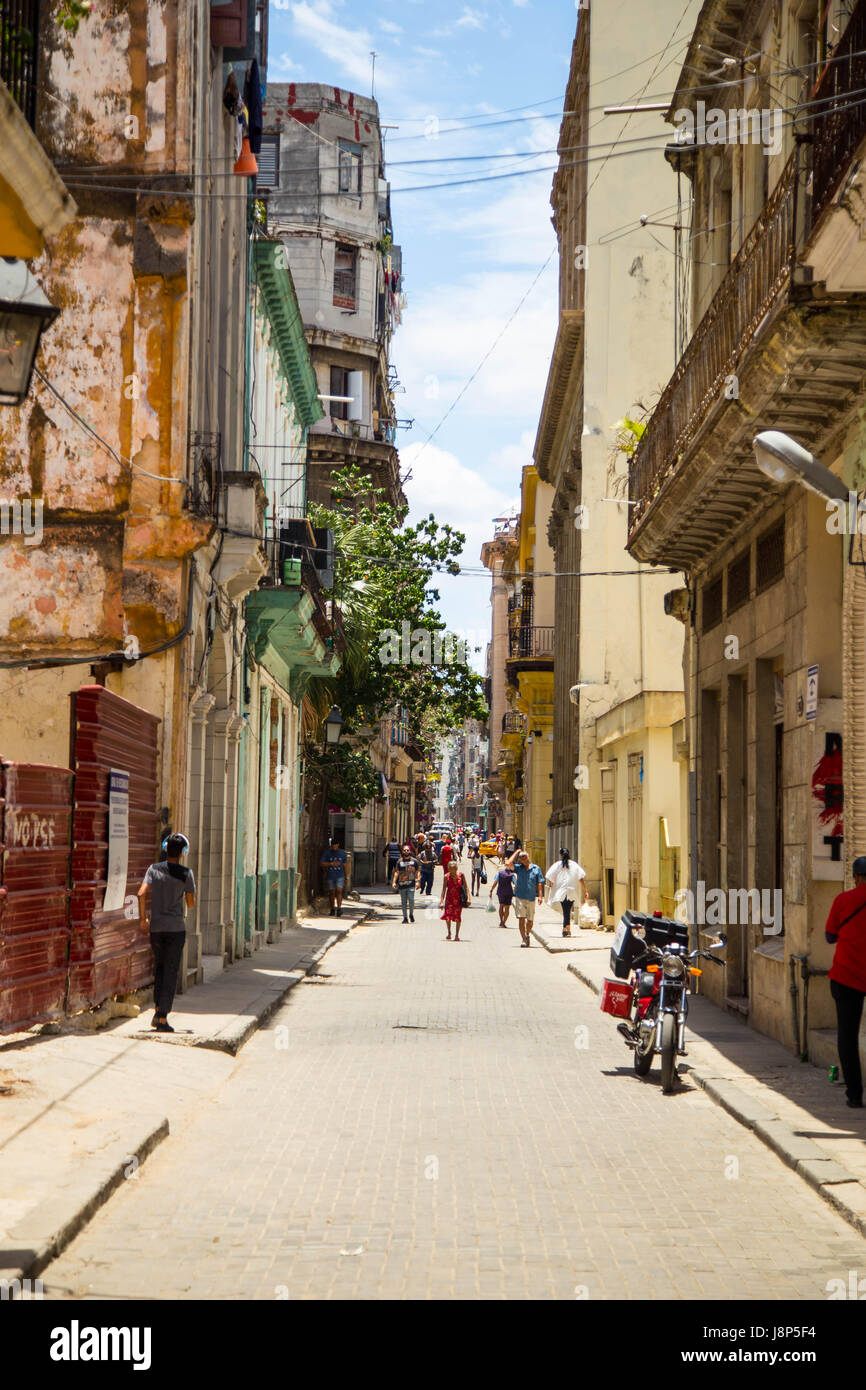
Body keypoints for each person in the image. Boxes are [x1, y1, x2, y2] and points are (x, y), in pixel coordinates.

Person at [137, 833, 195, 1033]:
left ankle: (157, 1009)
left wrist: (143, 919)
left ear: (165, 848)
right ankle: (162, 1017)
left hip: (156, 929)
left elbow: (141, 893)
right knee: (170, 972)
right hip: (176, 929)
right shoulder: (186, 874)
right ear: (183, 853)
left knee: (159, 969)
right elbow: (190, 903)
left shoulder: (153, 869)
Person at [825, 856, 866, 1107]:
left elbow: (830, 936)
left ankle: (854, 1094)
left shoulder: (843, 900)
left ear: (855, 877)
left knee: (847, 1036)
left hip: (846, 975)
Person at [545, 847, 589, 937]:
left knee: (566, 910)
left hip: (561, 891)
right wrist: (585, 890)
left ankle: (566, 929)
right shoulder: (574, 865)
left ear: (561, 855)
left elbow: (550, 878)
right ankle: (566, 929)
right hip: (571, 891)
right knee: (567, 910)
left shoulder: (557, 865)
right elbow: (581, 878)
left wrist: (552, 889)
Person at [507, 849, 545, 947]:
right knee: (521, 919)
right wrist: (516, 852)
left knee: (530, 921)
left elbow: (539, 883)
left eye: (525, 857)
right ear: (520, 860)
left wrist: (540, 896)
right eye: (521, 858)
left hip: (531, 898)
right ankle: (523, 939)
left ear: (528, 857)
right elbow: (508, 863)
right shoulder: (519, 868)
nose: (523, 859)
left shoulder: (536, 869)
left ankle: (527, 934)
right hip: (520, 897)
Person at [439, 856, 469, 942]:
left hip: (458, 900)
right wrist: (441, 901)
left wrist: (468, 899)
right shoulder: (446, 876)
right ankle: (449, 932)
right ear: (448, 869)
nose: (452, 870)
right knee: (447, 916)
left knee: (457, 917)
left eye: (454, 869)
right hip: (449, 900)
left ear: (456, 868)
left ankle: (457, 935)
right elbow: (444, 889)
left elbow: (466, 888)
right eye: (450, 869)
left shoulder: (461, 875)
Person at [392, 841, 420, 923]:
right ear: (402, 851)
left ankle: (411, 914)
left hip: (411, 884)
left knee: (411, 900)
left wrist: (418, 881)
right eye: (405, 850)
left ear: (410, 851)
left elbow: (418, 871)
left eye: (408, 850)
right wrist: (394, 882)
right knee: (403, 902)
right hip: (402, 885)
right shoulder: (399, 862)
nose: (406, 851)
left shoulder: (414, 861)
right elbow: (396, 872)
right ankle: (405, 917)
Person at [320, 835, 348, 916]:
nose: (334, 847)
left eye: (335, 845)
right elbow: (321, 863)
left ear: (338, 845)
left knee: (339, 891)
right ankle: (332, 908)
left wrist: (346, 877)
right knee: (332, 893)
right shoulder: (328, 853)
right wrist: (331, 864)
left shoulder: (342, 854)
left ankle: (339, 908)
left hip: (340, 875)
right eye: (332, 846)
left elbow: (345, 866)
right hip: (331, 876)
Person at [489, 862, 516, 927]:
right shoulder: (512, 875)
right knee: (507, 908)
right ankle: (503, 922)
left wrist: (491, 890)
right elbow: (516, 883)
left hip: (500, 892)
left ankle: (501, 921)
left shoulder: (499, 873)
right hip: (509, 892)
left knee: (501, 906)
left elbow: (495, 882)